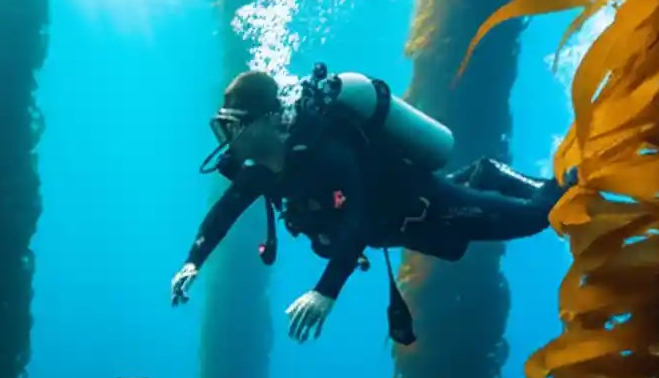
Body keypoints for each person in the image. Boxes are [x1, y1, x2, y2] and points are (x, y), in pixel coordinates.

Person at [169, 63, 574, 344]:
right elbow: (223, 212)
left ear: (262, 121)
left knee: (539, 215)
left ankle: (577, 172)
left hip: (426, 201)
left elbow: (357, 220)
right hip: (400, 225)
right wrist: (193, 261)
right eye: (223, 127)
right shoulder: (261, 171)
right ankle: (484, 175)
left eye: (233, 126)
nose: (227, 140)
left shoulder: (324, 152)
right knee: (456, 242)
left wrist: (325, 292)